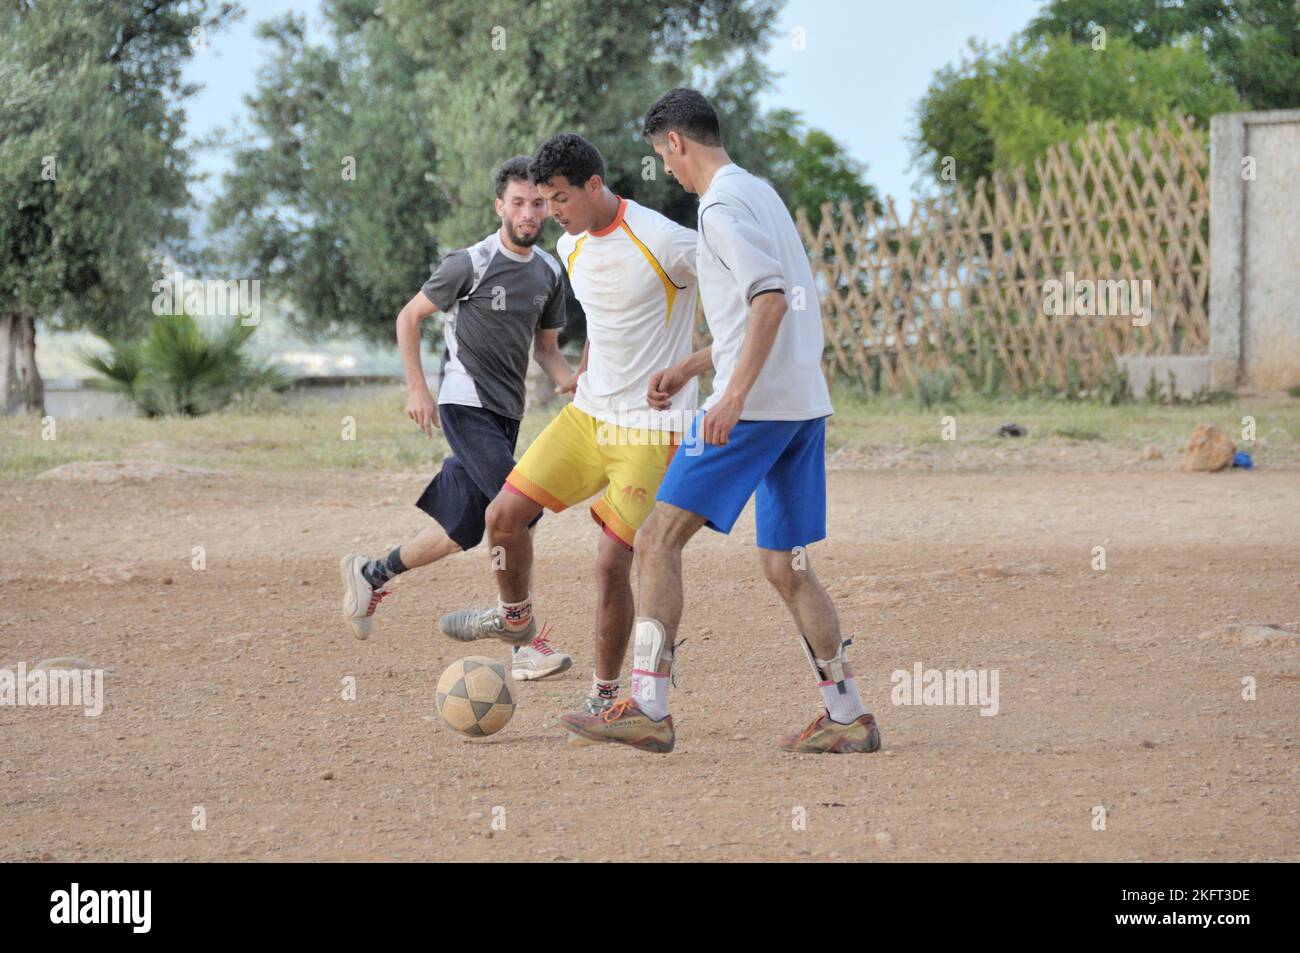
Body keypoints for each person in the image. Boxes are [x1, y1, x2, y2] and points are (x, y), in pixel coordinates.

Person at [559, 88, 881, 753]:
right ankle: (848, 713)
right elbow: (764, 305)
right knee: (786, 564)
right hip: (801, 403)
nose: (667, 171)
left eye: (662, 157)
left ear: (675, 142)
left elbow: (767, 302)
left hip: (756, 408)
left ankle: (646, 704)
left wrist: (730, 392)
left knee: (654, 540)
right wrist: (692, 364)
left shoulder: (720, 208)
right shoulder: (759, 194)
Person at [440, 133, 699, 716]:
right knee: (503, 517)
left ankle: (607, 696)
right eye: (542, 200)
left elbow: (749, 299)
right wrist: (583, 371)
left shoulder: (664, 240)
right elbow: (606, 324)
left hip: (650, 431)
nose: (550, 212)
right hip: (587, 417)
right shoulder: (573, 247)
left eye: (558, 198)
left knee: (612, 564)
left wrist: (692, 366)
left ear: (593, 186)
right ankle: (516, 619)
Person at [341, 156, 577, 681]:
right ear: (500, 206)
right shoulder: (468, 263)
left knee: (463, 529)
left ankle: (371, 572)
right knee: (521, 512)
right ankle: (522, 641)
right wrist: (417, 387)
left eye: (537, 202)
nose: (528, 212)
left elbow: (546, 348)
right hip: (463, 403)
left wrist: (570, 379)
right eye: (517, 202)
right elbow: (409, 317)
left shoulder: (550, 271)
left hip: (506, 413)